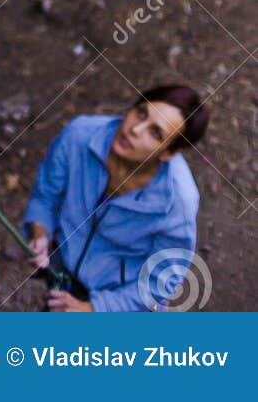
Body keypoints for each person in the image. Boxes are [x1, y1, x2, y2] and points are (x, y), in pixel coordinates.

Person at [24, 86, 206, 312]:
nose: (135, 130)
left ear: (168, 153)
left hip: (121, 299)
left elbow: (161, 281)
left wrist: (93, 309)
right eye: (140, 113)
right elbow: (46, 195)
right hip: (64, 264)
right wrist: (40, 231)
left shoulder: (178, 202)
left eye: (155, 133)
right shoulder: (79, 135)